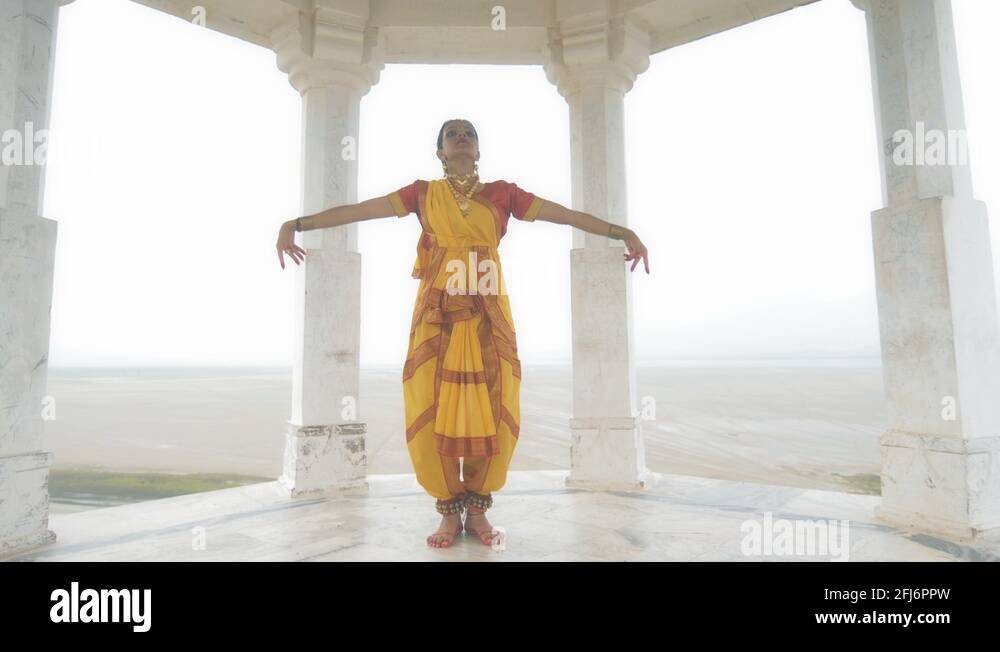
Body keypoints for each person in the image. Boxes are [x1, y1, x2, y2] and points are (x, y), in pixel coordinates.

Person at [275, 119, 649, 548]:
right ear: (439, 152)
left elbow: (565, 216)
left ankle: (479, 512)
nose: (461, 137)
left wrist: (623, 232)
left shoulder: (503, 194)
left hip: (488, 314)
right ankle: (449, 512)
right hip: (438, 316)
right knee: (434, 405)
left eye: (468, 132)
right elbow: (360, 210)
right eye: (451, 133)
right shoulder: (423, 194)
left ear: (478, 150)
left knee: (491, 406)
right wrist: (296, 223)